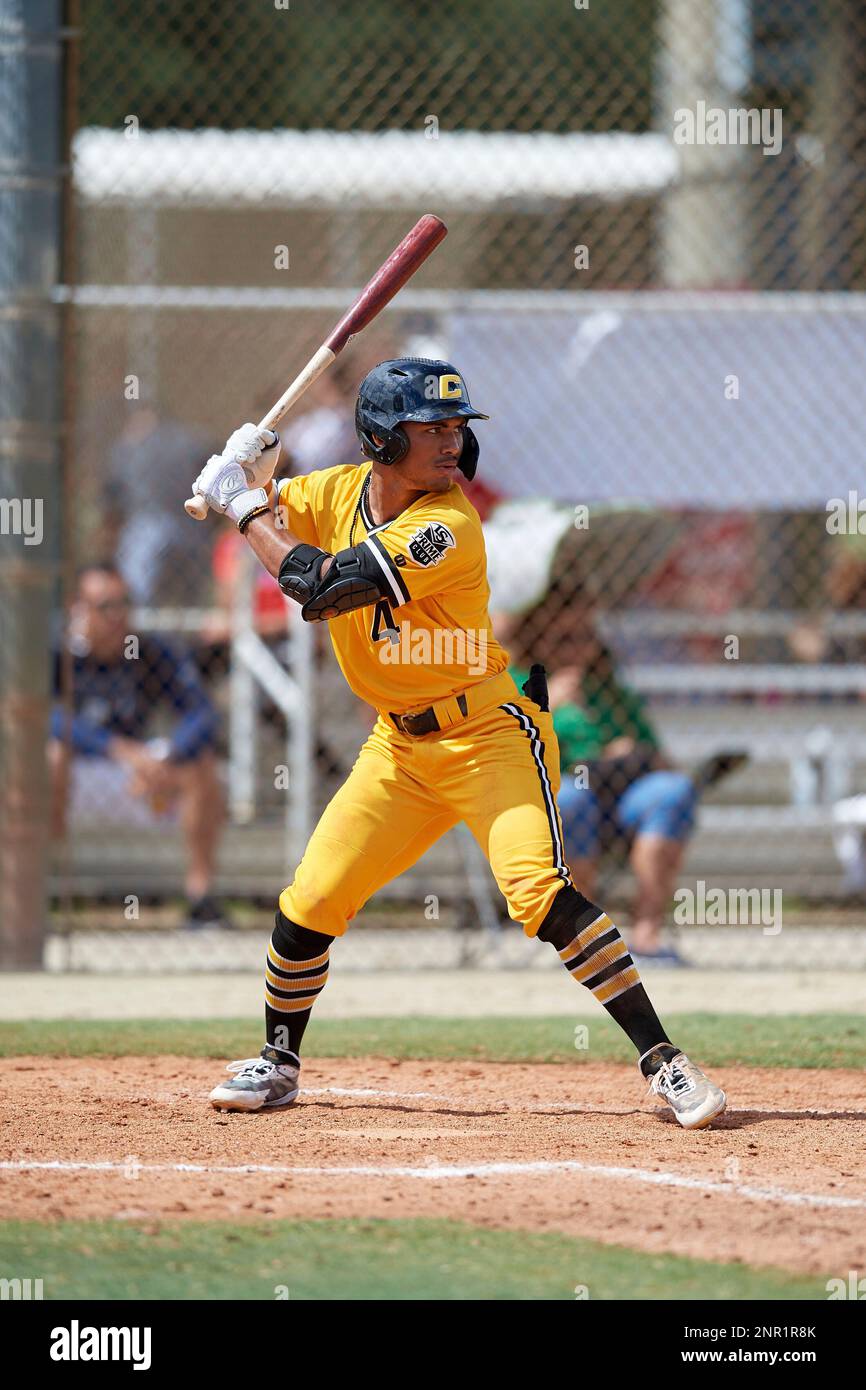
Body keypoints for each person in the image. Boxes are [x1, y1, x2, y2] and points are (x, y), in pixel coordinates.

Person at [190, 358, 726, 1128]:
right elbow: (277, 511)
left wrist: (242, 507)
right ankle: (279, 1061)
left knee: (538, 896)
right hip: (397, 749)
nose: (450, 443)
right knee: (310, 899)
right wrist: (244, 471)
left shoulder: (448, 524)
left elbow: (322, 586)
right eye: (430, 428)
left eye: (455, 428)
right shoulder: (338, 491)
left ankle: (664, 1061)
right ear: (380, 438)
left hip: (487, 735)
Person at [50, 564, 229, 929]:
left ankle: (201, 899)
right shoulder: (60, 654)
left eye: (123, 604)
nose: (117, 617)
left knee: (202, 765)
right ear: (78, 609)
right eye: (105, 607)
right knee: (49, 757)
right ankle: (44, 889)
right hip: (79, 776)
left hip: (145, 776)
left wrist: (167, 756)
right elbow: (44, 718)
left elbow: (202, 713)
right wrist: (116, 748)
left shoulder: (146, 651)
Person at [514, 634, 697, 964]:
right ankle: (583, 937)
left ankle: (646, 937)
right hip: (553, 803)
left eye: (583, 639)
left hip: (618, 799)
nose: (576, 649)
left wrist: (626, 754)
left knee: (673, 791)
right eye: (563, 638)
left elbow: (658, 756)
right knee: (572, 797)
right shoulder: (516, 680)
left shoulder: (608, 691)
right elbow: (507, 755)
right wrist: (547, 704)